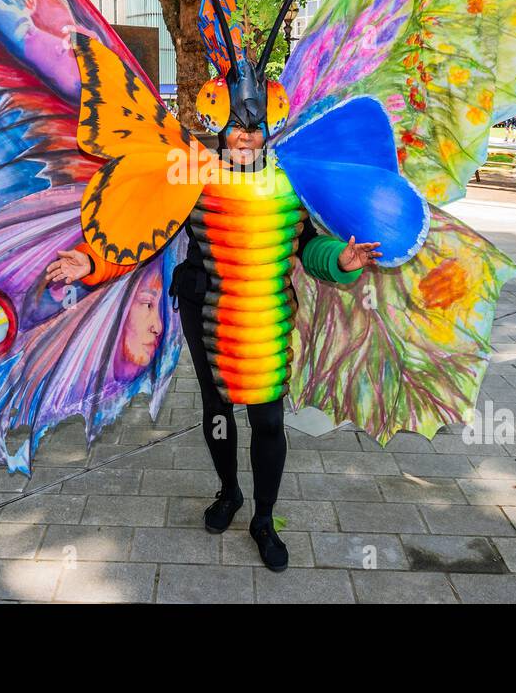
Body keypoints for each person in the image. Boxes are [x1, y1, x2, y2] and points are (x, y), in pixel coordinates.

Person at [45, 115, 379, 573]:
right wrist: (91, 261)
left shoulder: (287, 179)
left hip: (266, 314)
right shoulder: (193, 175)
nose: (246, 135)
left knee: (268, 417)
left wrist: (341, 258)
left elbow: (306, 246)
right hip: (206, 310)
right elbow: (144, 231)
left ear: (269, 130)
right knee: (216, 408)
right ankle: (229, 491)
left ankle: (264, 520)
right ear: (221, 128)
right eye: (237, 125)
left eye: (256, 125)